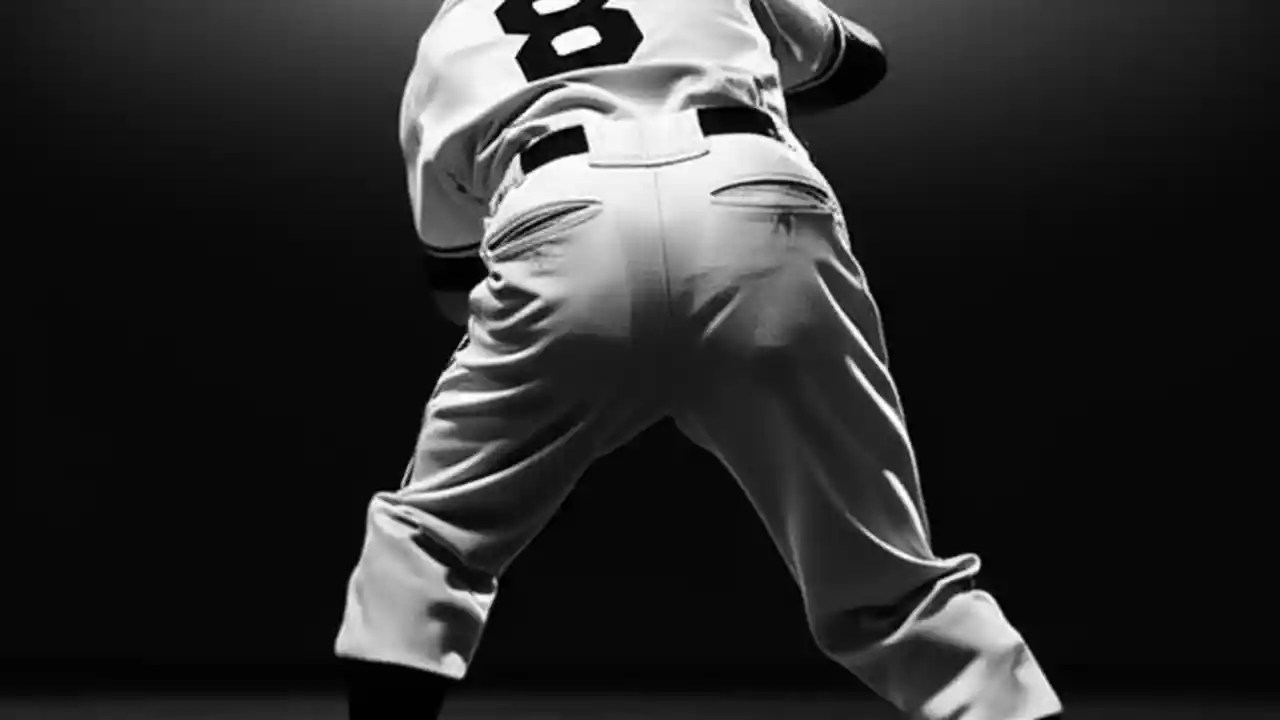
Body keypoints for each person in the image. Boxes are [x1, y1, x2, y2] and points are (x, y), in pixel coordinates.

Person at [335, 1, 1065, 718]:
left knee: (428, 541)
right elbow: (854, 65)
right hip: (751, 192)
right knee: (891, 588)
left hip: (557, 202)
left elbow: (453, 282)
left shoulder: (449, 34)